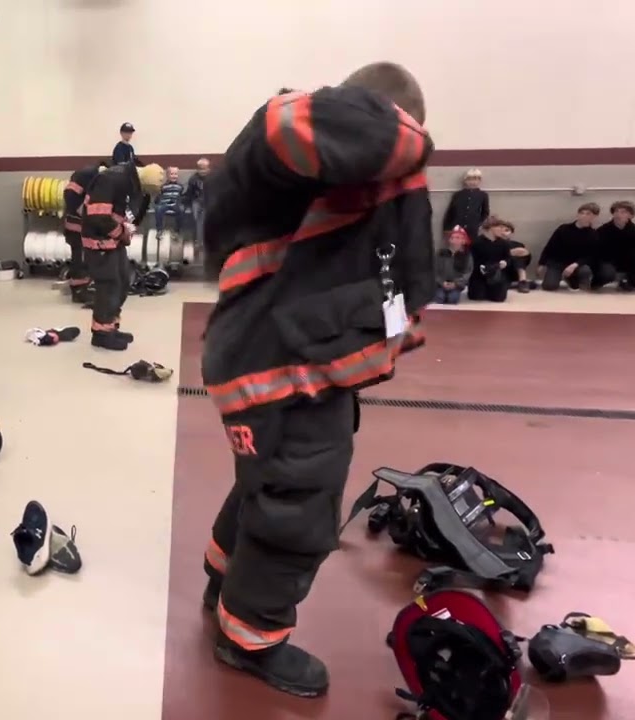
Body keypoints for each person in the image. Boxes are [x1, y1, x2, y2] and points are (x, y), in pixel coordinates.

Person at [200, 62, 434, 697]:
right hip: (277, 370)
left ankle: (223, 579)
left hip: (280, 365)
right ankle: (250, 636)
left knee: (269, 486)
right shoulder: (297, 143)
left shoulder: (317, 186)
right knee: (299, 507)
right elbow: (286, 123)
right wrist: (410, 140)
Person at [81, 162, 164, 350]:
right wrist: (122, 233)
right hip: (99, 242)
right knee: (108, 285)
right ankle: (101, 334)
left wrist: (125, 229)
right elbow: (98, 216)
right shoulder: (110, 180)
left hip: (113, 241)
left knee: (122, 281)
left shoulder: (128, 182)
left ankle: (111, 327)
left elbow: (120, 212)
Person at [63, 160, 109, 304]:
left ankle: (85, 287)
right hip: (76, 226)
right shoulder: (85, 175)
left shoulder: (101, 180)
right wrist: (84, 212)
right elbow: (70, 195)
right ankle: (78, 291)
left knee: (87, 258)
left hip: (87, 227)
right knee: (80, 258)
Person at [538, 203, 605, 291]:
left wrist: (574, 265)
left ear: (594, 217)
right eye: (582, 213)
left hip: (577, 264)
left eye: (588, 214)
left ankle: (574, 280)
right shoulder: (563, 229)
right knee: (549, 286)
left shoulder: (594, 235)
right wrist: (541, 264)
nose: (584, 216)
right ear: (577, 214)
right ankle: (564, 277)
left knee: (585, 271)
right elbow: (550, 247)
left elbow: (591, 256)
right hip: (557, 262)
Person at [598, 200, 635, 291]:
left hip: (629, 261)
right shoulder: (603, 230)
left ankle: (627, 281)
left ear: (631, 215)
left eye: (623, 212)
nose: (618, 214)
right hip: (609, 260)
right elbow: (599, 251)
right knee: (606, 274)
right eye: (616, 211)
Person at [467, 218, 516, 302]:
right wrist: (481, 268)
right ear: (491, 228)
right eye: (499, 227)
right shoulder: (477, 242)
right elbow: (471, 260)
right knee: (476, 296)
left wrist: (505, 263)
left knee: (499, 298)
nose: (502, 230)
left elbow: (508, 258)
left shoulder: (504, 243)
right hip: (479, 274)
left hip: (496, 274)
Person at [442, 168, 490, 242]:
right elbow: (450, 212)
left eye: (475, 179)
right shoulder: (458, 195)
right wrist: (447, 228)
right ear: (465, 180)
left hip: (472, 227)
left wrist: (478, 223)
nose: (472, 182)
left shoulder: (483, 195)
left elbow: (485, 212)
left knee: (472, 245)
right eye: (470, 179)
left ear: (479, 181)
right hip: (457, 226)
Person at [434, 226, 472, 304]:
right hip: (441, 284)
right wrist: (441, 282)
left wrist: (456, 284)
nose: (454, 239)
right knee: (440, 298)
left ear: (464, 241)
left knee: (452, 299)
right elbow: (434, 270)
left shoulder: (466, 256)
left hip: (456, 285)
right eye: (453, 237)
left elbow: (467, 272)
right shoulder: (441, 253)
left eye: (458, 237)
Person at [184, 158, 211, 245]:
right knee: (196, 218)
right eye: (200, 169)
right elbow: (189, 193)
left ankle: (202, 240)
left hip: (208, 201)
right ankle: (198, 240)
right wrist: (186, 203)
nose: (202, 171)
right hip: (196, 201)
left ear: (208, 169)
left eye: (204, 169)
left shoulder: (212, 178)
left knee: (203, 219)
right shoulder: (193, 179)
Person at [154, 166, 186, 235]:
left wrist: (181, 201)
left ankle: (177, 230)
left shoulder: (180, 186)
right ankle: (159, 229)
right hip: (165, 204)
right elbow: (159, 196)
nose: (174, 176)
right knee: (158, 209)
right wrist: (157, 200)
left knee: (181, 209)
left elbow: (182, 195)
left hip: (175, 204)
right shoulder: (163, 186)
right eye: (172, 174)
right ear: (167, 176)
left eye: (175, 174)